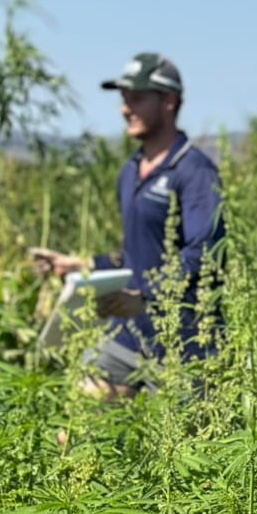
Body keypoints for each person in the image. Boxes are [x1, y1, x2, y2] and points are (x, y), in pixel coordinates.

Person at [30, 52, 225, 395]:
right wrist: (83, 265)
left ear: (168, 101)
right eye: (123, 99)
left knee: (186, 446)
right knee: (84, 408)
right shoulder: (130, 171)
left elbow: (205, 252)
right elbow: (139, 252)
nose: (124, 108)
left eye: (136, 98)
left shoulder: (194, 172)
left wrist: (146, 297)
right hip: (131, 335)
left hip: (187, 341)